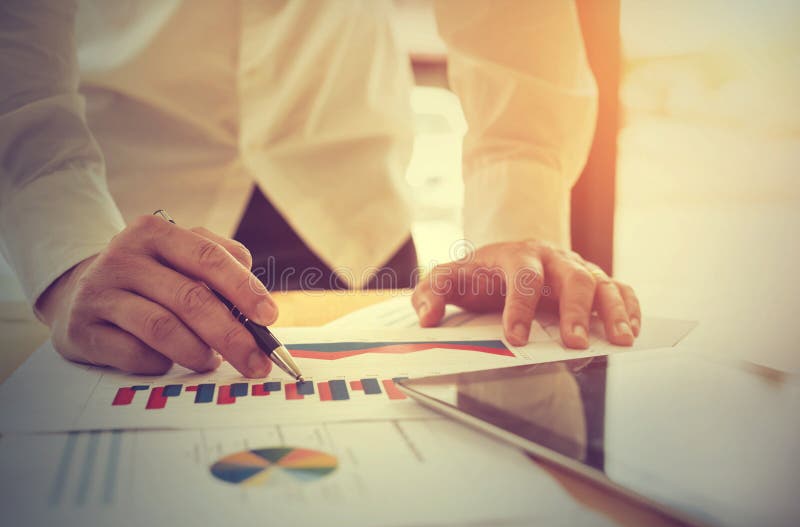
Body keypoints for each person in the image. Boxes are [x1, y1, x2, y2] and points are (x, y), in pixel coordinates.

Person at [0, 0, 641, 379]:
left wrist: (513, 222)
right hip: (125, 230)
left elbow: (513, 27)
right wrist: (67, 249)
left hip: (355, 218)